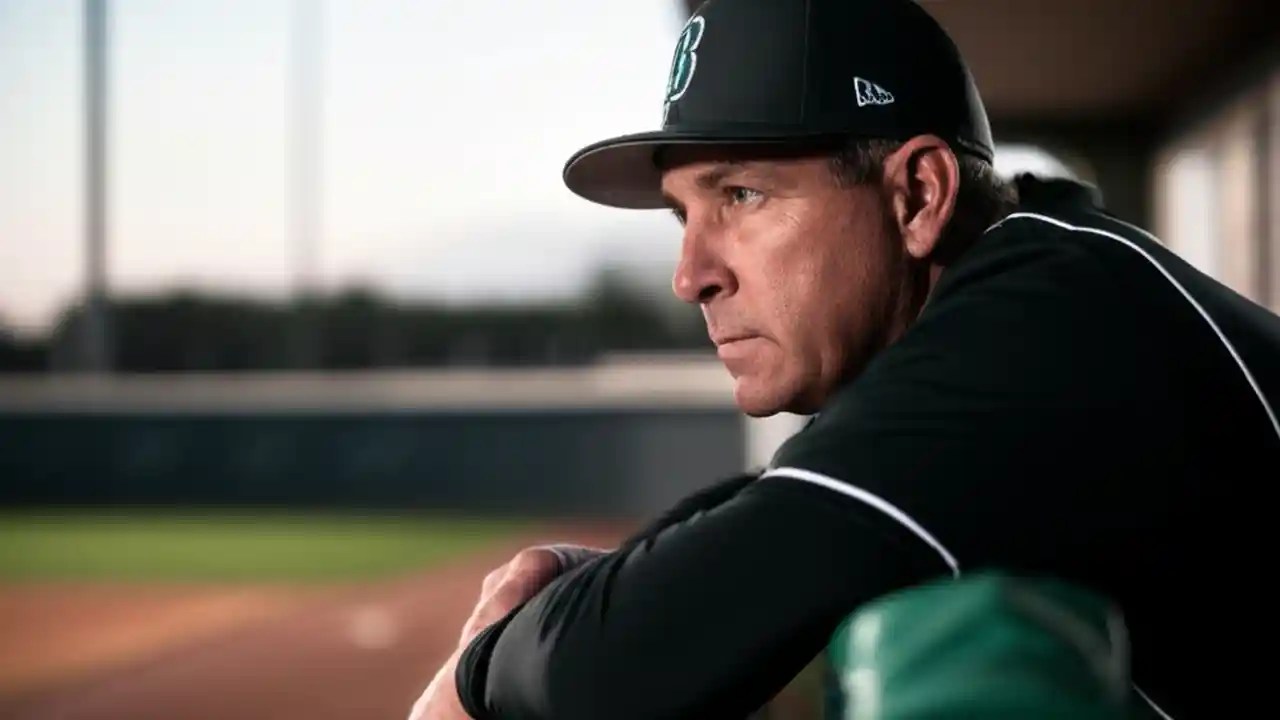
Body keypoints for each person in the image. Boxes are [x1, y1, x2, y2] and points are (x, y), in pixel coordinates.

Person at [409, 0, 1280, 718]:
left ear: (918, 195)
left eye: (741, 195)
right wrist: (601, 585)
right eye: (684, 217)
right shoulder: (1040, 286)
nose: (691, 275)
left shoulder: (1049, 319)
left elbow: (616, 675)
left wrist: (474, 676)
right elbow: (778, 510)